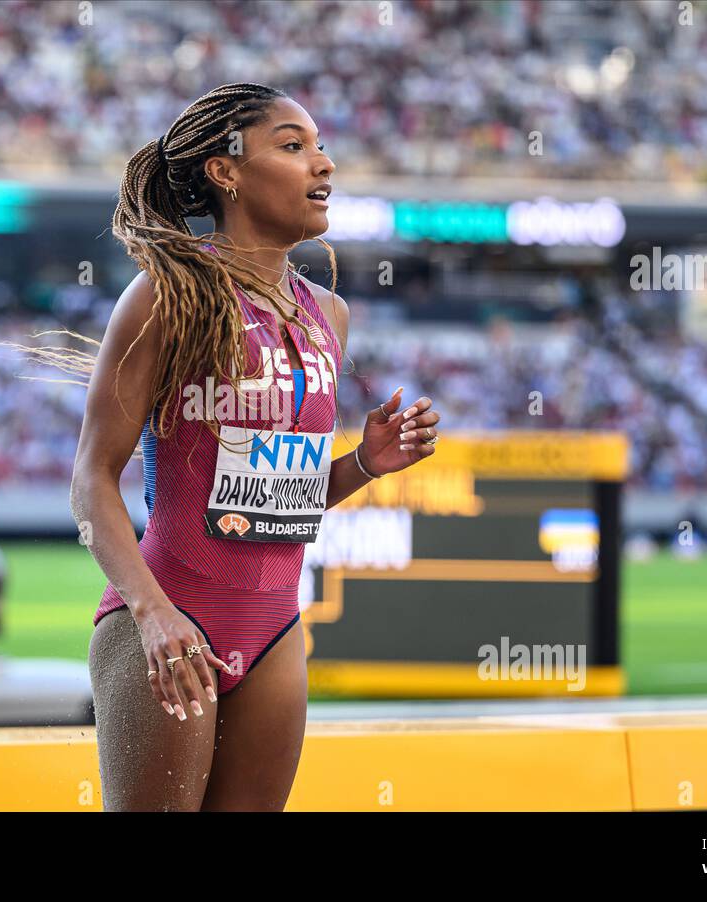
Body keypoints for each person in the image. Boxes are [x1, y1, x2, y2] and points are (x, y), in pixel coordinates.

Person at [53, 84, 442, 811]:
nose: (322, 164)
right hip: (169, 621)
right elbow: (91, 478)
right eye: (293, 146)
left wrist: (363, 463)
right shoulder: (164, 295)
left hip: (274, 632)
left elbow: (275, 503)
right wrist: (151, 612)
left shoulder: (329, 313)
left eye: (321, 146)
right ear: (225, 171)